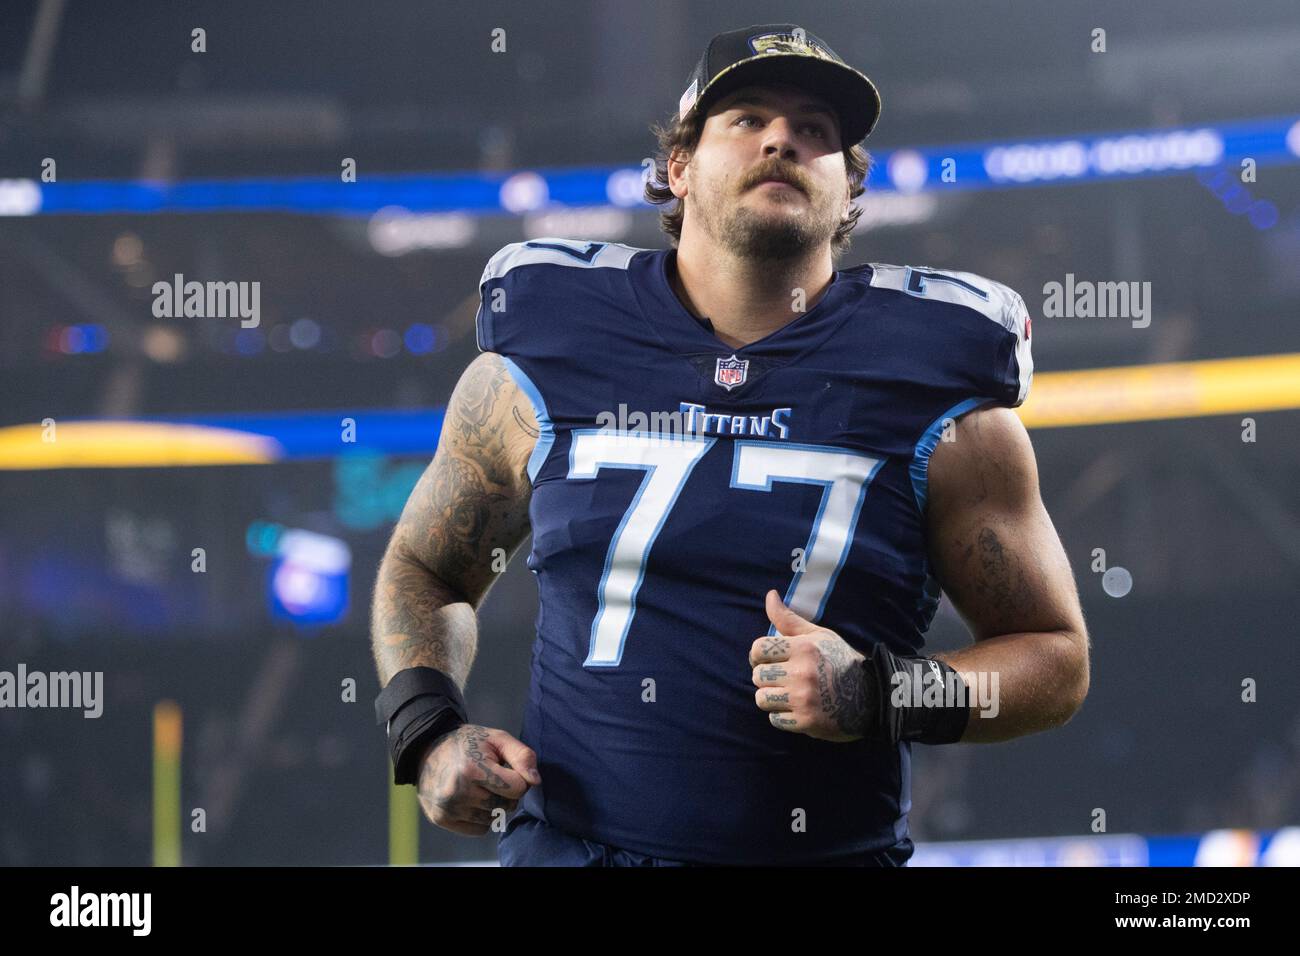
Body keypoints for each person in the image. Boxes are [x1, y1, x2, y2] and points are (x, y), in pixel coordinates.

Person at [370, 23, 1089, 866]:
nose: (783, 137)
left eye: (816, 130)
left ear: (847, 190)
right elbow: (426, 566)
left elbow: (1056, 659)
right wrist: (427, 734)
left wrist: (885, 691)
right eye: (746, 118)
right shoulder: (548, 347)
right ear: (679, 168)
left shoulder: (936, 383)